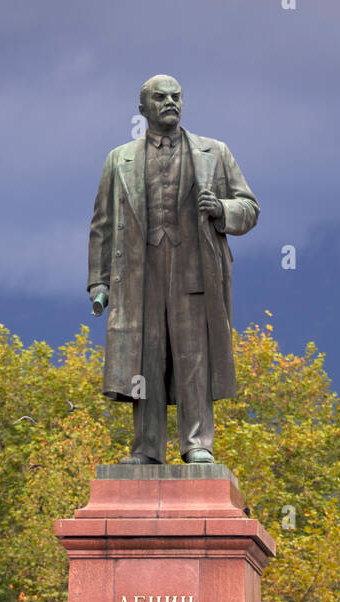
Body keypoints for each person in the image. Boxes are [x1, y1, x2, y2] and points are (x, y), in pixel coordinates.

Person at [88, 73, 259, 466]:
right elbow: (101, 225)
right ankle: (147, 448)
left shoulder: (214, 152)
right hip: (138, 277)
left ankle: (197, 443)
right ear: (142, 108)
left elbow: (249, 208)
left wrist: (221, 209)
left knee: (193, 359)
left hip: (194, 276)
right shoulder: (119, 160)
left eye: (176, 96)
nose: (170, 102)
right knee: (144, 361)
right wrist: (98, 282)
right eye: (160, 97)